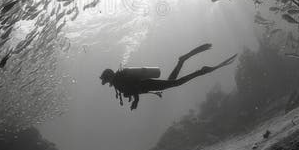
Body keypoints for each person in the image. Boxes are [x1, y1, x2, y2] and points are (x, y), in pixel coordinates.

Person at [100, 43, 238, 110]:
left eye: (105, 80)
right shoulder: (118, 80)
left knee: (175, 83)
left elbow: (135, 86)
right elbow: (134, 87)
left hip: (147, 85)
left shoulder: (118, 82)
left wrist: (135, 101)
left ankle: (201, 71)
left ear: (108, 77)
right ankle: (182, 60)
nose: (105, 83)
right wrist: (145, 94)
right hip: (148, 85)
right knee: (171, 81)